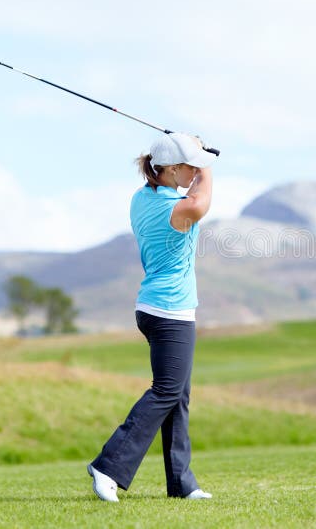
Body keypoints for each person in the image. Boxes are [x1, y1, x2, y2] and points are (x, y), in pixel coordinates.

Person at [87, 132, 215, 502]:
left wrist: (192, 149)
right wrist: (208, 164)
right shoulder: (174, 209)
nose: (195, 172)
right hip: (169, 312)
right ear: (172, 169)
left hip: (158, 308)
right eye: (189, 166)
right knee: (166, 392)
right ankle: (108, 465)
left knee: (179, 397)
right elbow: (200, 202)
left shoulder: (143, 198)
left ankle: (181, 483)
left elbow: (188, 191)